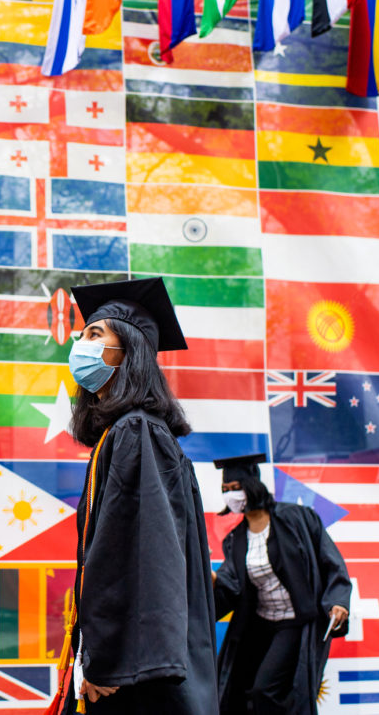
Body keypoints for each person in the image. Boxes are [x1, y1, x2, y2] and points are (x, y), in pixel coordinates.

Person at [45, 276, 217, 715]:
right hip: (129, 670)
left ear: (128, 353)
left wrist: (109, 660)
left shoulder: (136, 431)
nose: (80, 345)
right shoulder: (122, 433)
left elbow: (138, 554)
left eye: (95, 334)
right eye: (83, 335)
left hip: (132, 678)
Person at [211, 453, 351, 715]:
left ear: (252, 485)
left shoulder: (298, 519)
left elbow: (330, 560)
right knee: (242, 690)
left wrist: (338, 601)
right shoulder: (235, 539)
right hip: (260, 625)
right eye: (225, 490)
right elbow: (232, 585)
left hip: (295, 622)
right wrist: (212, 579)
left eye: (235, 487)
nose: (231, 495)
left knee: (266, 689)